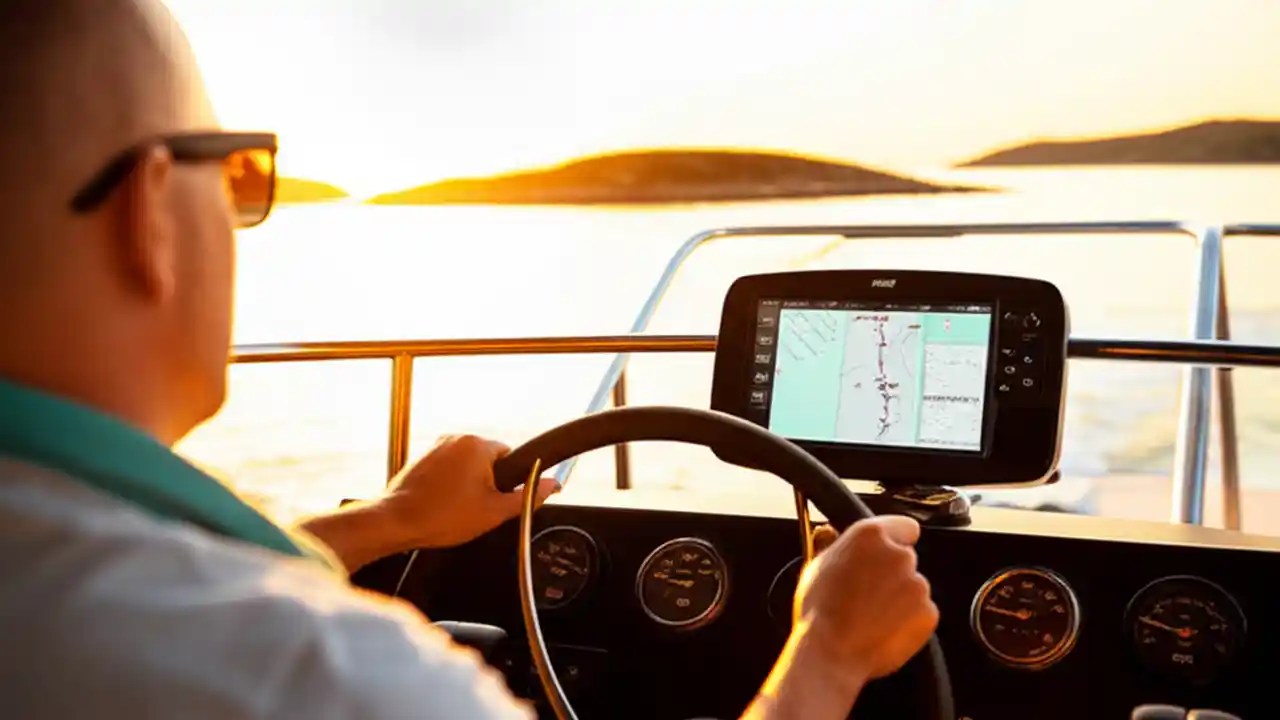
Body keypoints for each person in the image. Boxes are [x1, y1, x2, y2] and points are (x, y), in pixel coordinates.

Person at [0, 1, 939, 717]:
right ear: (152, 216)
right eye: (239, 172)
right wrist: (827, 652)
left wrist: (390, 519)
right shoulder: (331, 678)